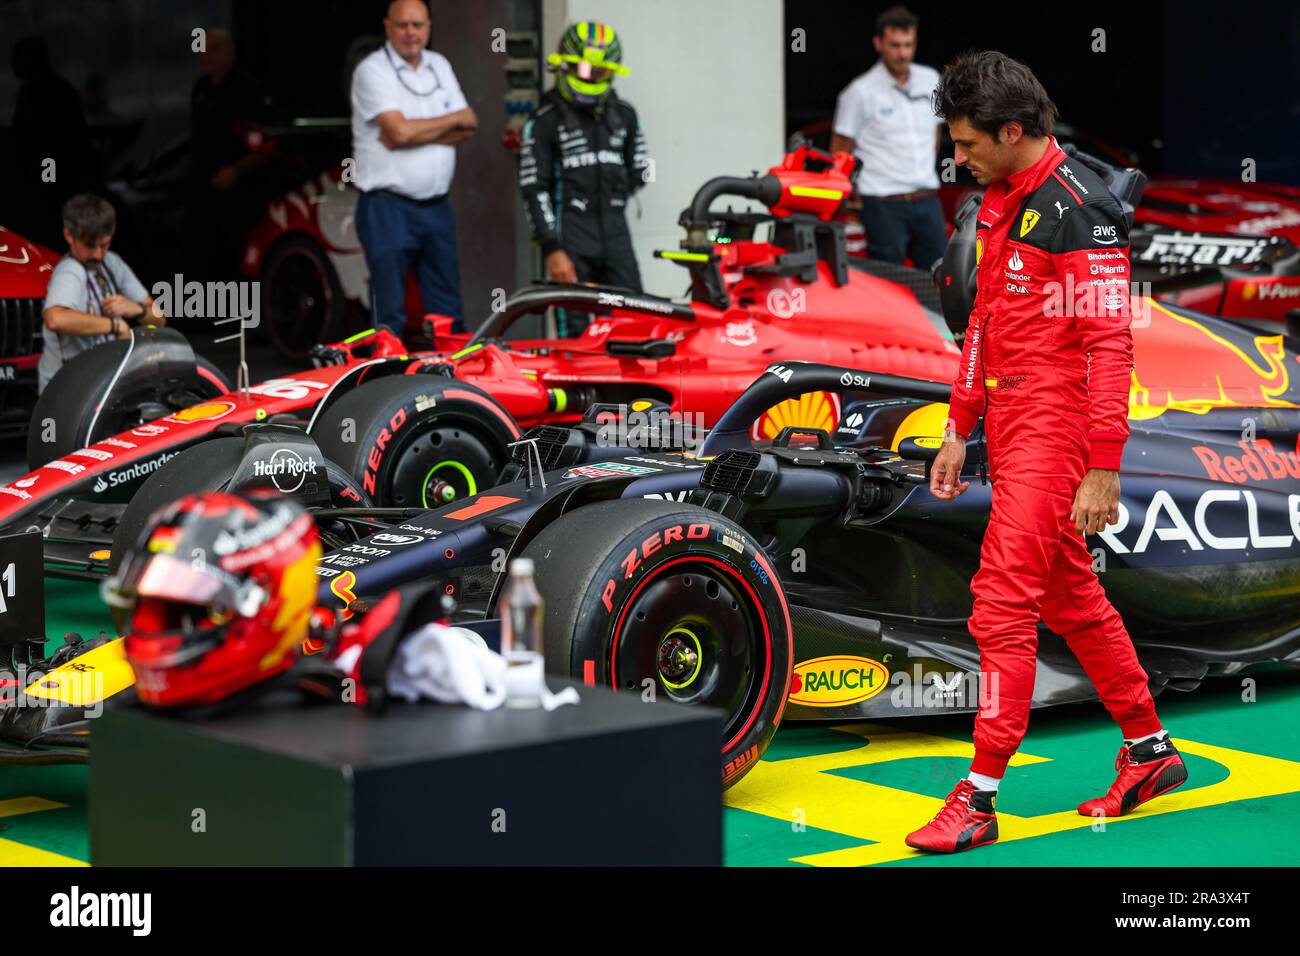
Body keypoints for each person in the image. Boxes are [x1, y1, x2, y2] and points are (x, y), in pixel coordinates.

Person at [906, 51, 1186, 854]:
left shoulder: (1084, 210)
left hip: (1058, 426)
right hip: (1008, 418)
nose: (958, 158)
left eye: (968, 143)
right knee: (1070, 598)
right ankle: (1150, 751)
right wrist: (960, 425)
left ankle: (981, 796)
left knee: (999, 601)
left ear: (1015, 130)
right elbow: (984, 323)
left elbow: (1110, 347)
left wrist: (1103, 462)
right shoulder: (998, 197)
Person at [350, 0, 477, 339]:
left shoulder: (439, 65)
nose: (411, 32)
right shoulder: (372, 70)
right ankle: (387, 387)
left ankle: (451, 387)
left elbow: (470, 124)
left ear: (429, 27)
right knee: (389, 313)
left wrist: (412, 132)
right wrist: (445, 124)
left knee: (447, 310)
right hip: (386, 206)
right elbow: (398, 131)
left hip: (436, 207)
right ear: (387, 26)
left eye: (417, 25)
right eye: (403, 25)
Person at [518, 21, 648, 333]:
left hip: (617, 237)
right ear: (564, 66)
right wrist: (553, 249)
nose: (589, 77)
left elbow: (643, 170)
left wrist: (614, 194)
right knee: (573, 340)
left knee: (636, 325)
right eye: (583, 69)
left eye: (599, 71)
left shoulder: (626, 115)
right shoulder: (542, 121)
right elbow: (533, 189)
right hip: (571, 241)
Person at [829, 6, 947, 269]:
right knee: (888, 281)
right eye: (895, 45)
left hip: (927, 199)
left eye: (908, 45)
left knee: (942, 276)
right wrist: (848, 201)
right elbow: (839, 153)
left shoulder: (930, 79)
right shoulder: (859, 92)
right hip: (882, 204)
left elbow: (936, 130)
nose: (902, 53)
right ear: (878, 43)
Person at [39, 194, 163, 393]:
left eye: (104, 245)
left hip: (101, 382)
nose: (97, 255)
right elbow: (55, 319)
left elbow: (159, 318)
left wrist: (136, 309)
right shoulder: (69, 271)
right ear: (69, 236)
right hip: (65, 391)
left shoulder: (112, 262)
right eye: (89, 246)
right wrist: (115, 325)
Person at [185, 27, 271, 280]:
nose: (208, 56)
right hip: (204, 190)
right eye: (204, 50)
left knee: (235, 263)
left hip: (238, 193)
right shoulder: (200, 89)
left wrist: (237, 170)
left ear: (230, 52)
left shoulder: (247, 90)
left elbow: (265, 145)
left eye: (215, 49)